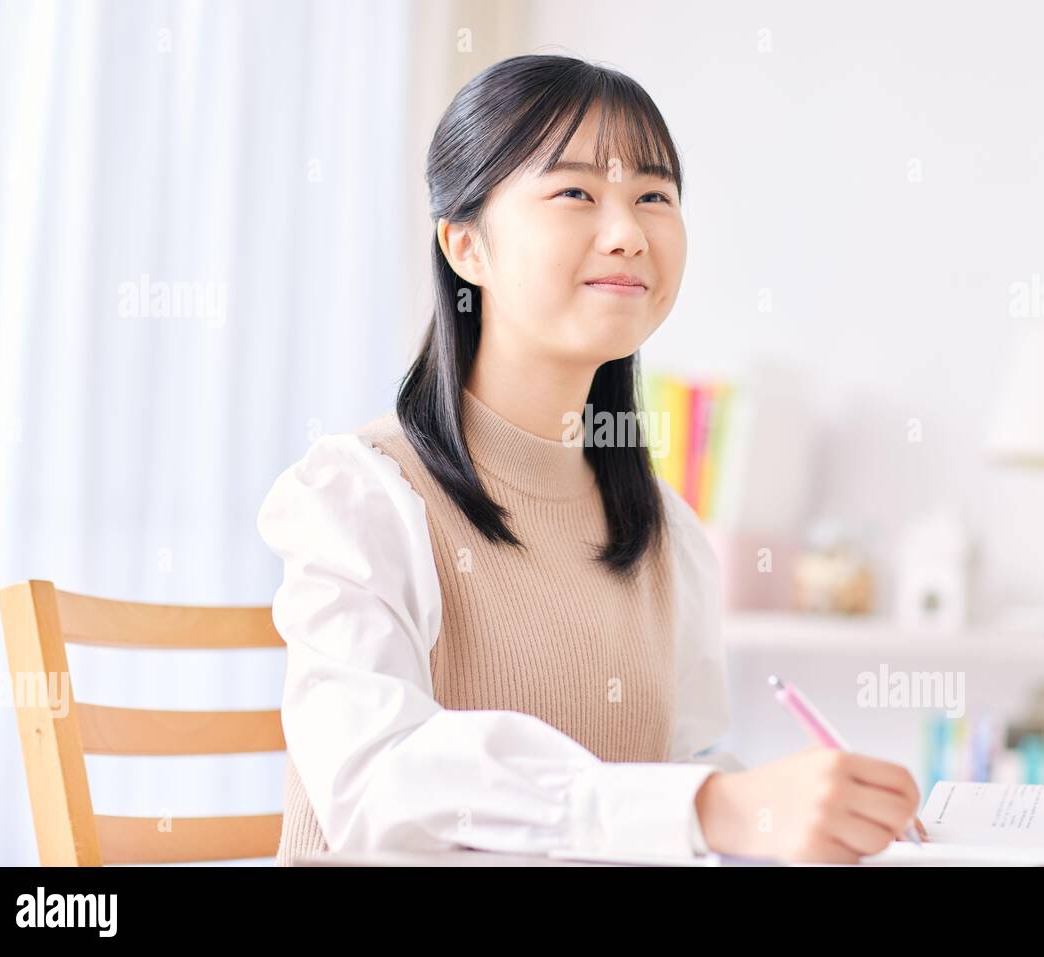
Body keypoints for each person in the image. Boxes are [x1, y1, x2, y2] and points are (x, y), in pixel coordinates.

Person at [257, 53, 922, 866]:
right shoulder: (358, 496)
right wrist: (711, 807)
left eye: (654, 197)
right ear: (466, 246)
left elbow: (679, 768)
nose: (628, 233)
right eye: (575, 193)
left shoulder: (666, 529)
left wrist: (798, 814)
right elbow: (377, 784)